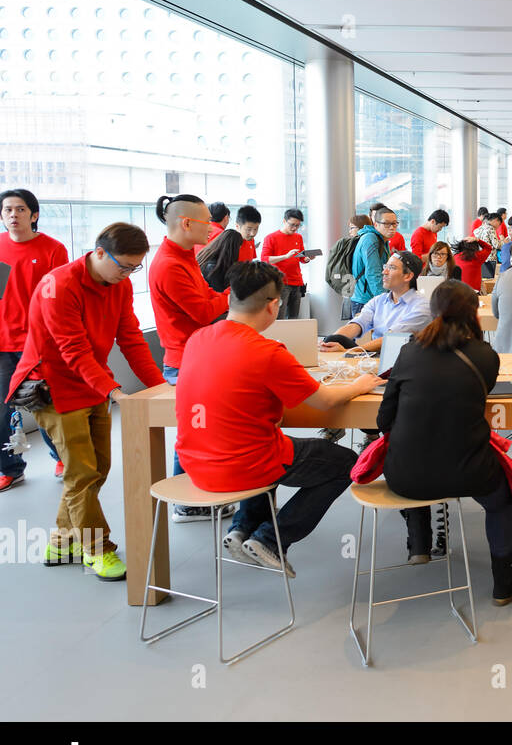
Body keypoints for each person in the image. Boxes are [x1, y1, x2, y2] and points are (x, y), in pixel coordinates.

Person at [178, 261, 382, 576]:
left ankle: (242, 528)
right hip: (244, 466)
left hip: (195, 465)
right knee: (344, 463)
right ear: (274, 305)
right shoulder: (268, 351)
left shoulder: (198, 339)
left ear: (231, 297)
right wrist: (360, 384)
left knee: (269, 443)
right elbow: (324, 402)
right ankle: (272, 539)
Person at [7, 222, 165, 579]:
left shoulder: (119, 286)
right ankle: (98, 550)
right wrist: (114, 392)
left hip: (94, 383)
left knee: (98, 469)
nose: (127, 274)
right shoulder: (59, 286)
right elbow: (72, 350)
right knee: (81, 473)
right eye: (123, 266)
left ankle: (62, 541)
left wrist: (160, 387)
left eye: (134, 268)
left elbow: (131, 338)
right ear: (98, 253)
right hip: (54, 387)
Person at [379, 281, 512, 595]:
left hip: (404, 476)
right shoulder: (486, 356)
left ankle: (419, 539)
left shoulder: (408, 352)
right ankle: (504, 582)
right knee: (499, 500)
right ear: (474, 313)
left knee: (417, 453)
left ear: (433, 311)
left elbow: (384, 420)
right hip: (469, 471)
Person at [149, 193, 232, 517]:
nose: (212, 230)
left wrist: (223, 296)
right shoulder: (169, 264)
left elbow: (207, 295)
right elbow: (201, 310)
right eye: (205, 223)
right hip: (184, 361)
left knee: (199, 429)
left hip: (196, 357)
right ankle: (186, 501)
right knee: (195, 431)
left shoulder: (183, 256)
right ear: (186, 223)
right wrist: (232, 297)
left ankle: (193, 494)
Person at [0, 188, 68, 489]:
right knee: (1, 412)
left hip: (37, 344)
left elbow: (59, 301)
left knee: (44, 408)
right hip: (2, 344)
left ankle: (61, 456)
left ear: (34, 214)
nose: (13, 215)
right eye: (7, 210)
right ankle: (11, 468)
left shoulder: (53, 250)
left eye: (20, 209)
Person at [321, 251, 431, 353]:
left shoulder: (422, 307)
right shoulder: (379, 300)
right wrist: (329, 343)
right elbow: (358, 324)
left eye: (391, 268)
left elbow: (391, 340)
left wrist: (350, 352)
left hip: (400, 361)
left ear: (408, 276)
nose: (384, 272)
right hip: (373, 356)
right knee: (332, 339)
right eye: (385, 267)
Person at [260, 208, 316, 319]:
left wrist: (308, 258)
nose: (295, 228)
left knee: (294, 317)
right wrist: (285, 256)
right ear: (284, 221)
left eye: (297, 225)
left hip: (297, 282)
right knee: (280, 317)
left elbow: (301, 258)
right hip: (280, 282)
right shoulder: (271, 237)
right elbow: (264, 259)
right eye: (292, 225)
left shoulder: (298, 237)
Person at [350, 209, 392, 316]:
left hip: (371, 298)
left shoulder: (382, 240)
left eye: (394, 223)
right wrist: (385, 301)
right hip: (365, 301)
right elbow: (373, 273)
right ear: (376, 224)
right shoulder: (370, 239)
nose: (392, 227)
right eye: (386, 223)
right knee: (365, 332)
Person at [196, 227, 244, 293]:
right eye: (239, 248)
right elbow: (219, 294)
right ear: (234, 249)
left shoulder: (207, 256)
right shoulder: (214, 268)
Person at [474, 211, 504, 279]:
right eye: (499, 224)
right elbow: (496, 245)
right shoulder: (491, 229)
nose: (499, 226)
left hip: (480, 257)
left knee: (483, 278)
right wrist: (503, 241)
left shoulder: (479, 229)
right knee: (489, 279)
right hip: (490, 257)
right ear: (496, 220)